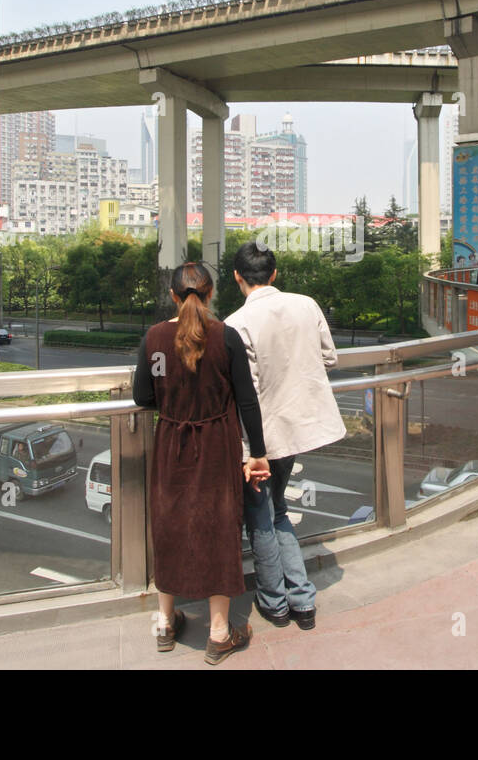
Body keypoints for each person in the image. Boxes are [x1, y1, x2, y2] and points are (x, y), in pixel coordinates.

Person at [132, 262, 271, 665]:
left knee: (169, 523)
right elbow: (247, 400)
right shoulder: (226, 337)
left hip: (172, 442)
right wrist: (257, 453)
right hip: (216, 445)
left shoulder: (155, 338)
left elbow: (143, 395)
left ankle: (164, 622)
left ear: (173, 296)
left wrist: (175, 403)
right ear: (211, 295)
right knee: (220, 525)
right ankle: (219, 632)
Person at [225, 241, 346, 631]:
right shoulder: (306, 304)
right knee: (276, 510)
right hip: (297, 428)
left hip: (260, 438)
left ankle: (276, 602)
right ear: (274, 274)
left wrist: (250, 450)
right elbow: (330, 358)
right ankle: (302, 601)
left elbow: (245, 391)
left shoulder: (235, 324)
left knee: (262, 516)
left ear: (237, 277)